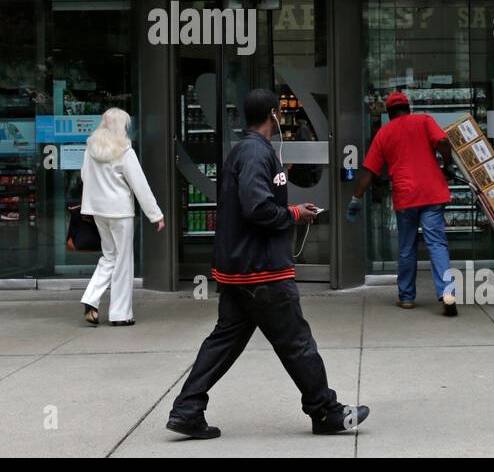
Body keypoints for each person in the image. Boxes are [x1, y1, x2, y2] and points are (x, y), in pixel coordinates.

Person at [166, 88, 369, 440]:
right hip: (262, 271)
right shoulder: (256, 154)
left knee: (223, 342)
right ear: (274, 114)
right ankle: (325, 411)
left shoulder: (245, 151)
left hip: (239, 270)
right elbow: (257, 207)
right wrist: (294, 214)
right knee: (296, 342)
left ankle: (187, 409)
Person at [347, 91, 462, 316]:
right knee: (437, 243)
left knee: (407, 247)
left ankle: (407, 297)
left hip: (406, 196)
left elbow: (369, 171)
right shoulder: (424, 121)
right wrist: (447, 164)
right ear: (408, 108)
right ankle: (447, 292)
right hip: (432, 192)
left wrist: (356, 199)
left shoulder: (384, 133)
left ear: (389, 113)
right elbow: (443, 142)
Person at [78, 107, 164, 326]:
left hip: (98, 210)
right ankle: (120, 314)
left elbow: (84, 176)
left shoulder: (90, 148)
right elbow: (140, 185)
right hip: (120, 211)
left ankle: (91, 299)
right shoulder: (125, 150)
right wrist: (155, 215)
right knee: (123, 261)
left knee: (109, 256)